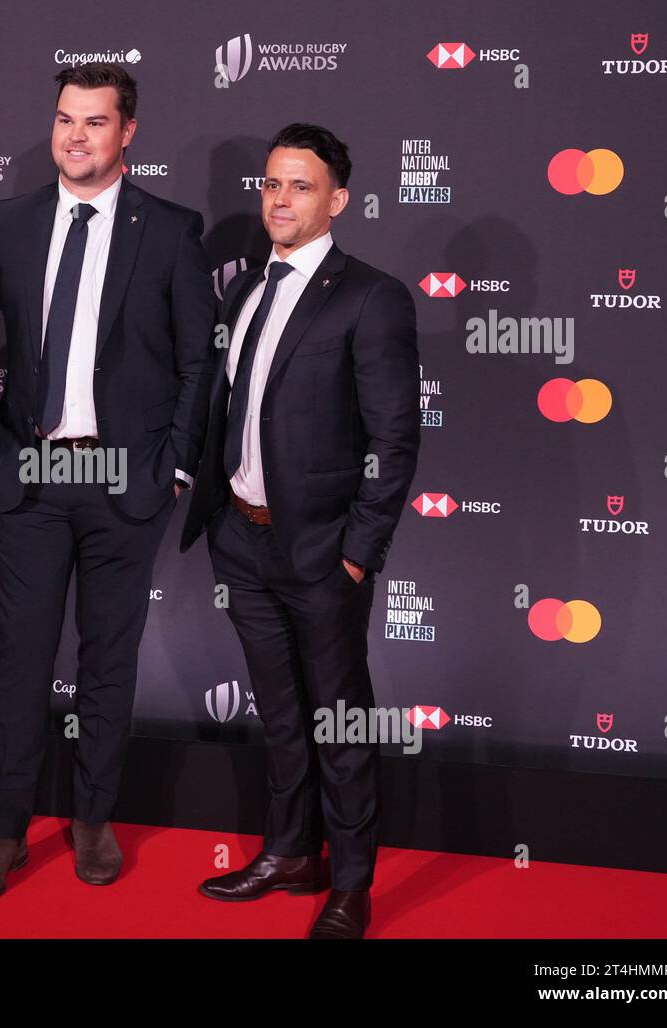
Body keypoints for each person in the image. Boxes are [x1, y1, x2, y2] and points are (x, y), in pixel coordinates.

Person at [0, 63, 215, 901]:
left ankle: (93, 820)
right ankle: (3, 829)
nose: (76, 136)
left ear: (127, 131)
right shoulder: (8, 221)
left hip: (125, 481)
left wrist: (175, 467)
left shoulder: (171, 230)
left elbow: (197, 364)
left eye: (95, 121)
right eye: (66, 119)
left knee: (109, 658)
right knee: (21, 658)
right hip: (30, 475)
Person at [180, 123, 420, 939]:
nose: (280, 200)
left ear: (338, 200)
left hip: (322, 555)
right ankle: (288, 853)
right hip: (241, 543)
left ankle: (350, 885)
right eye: (272, 184)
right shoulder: (245, 290)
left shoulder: (371, 297)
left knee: (339, 724)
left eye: (302, 187)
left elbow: (394, 439)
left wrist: (357, 554)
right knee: (281, 716)